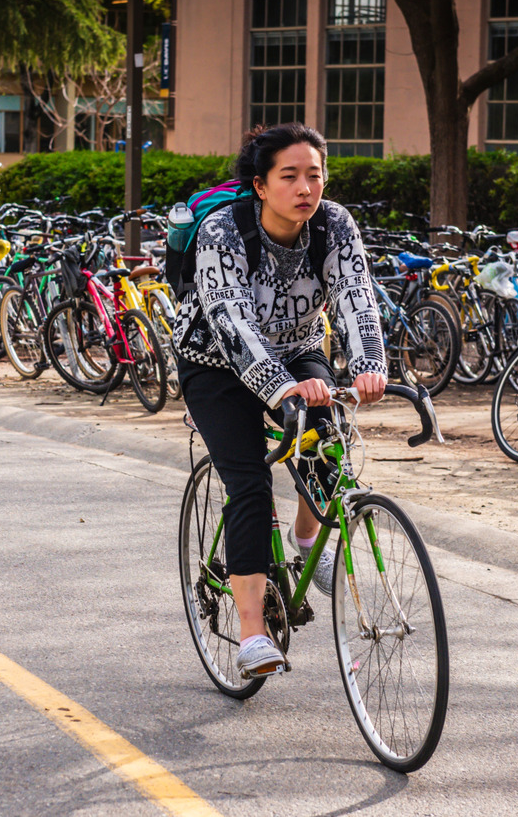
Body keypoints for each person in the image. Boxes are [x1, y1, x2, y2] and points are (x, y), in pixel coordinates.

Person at [172, 122, 388, 678]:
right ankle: (251, 635)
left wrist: (367, 367)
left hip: (296, 349)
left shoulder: (334, 225)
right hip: (214, 361)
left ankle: (306, 534)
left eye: (314, 175)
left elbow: (354, 296)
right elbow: (230, 320)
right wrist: (279, 388)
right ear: (261, 186)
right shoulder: (224, 230)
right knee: (248, 481)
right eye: (289, 176)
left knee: (325, 441)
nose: (305, 188)